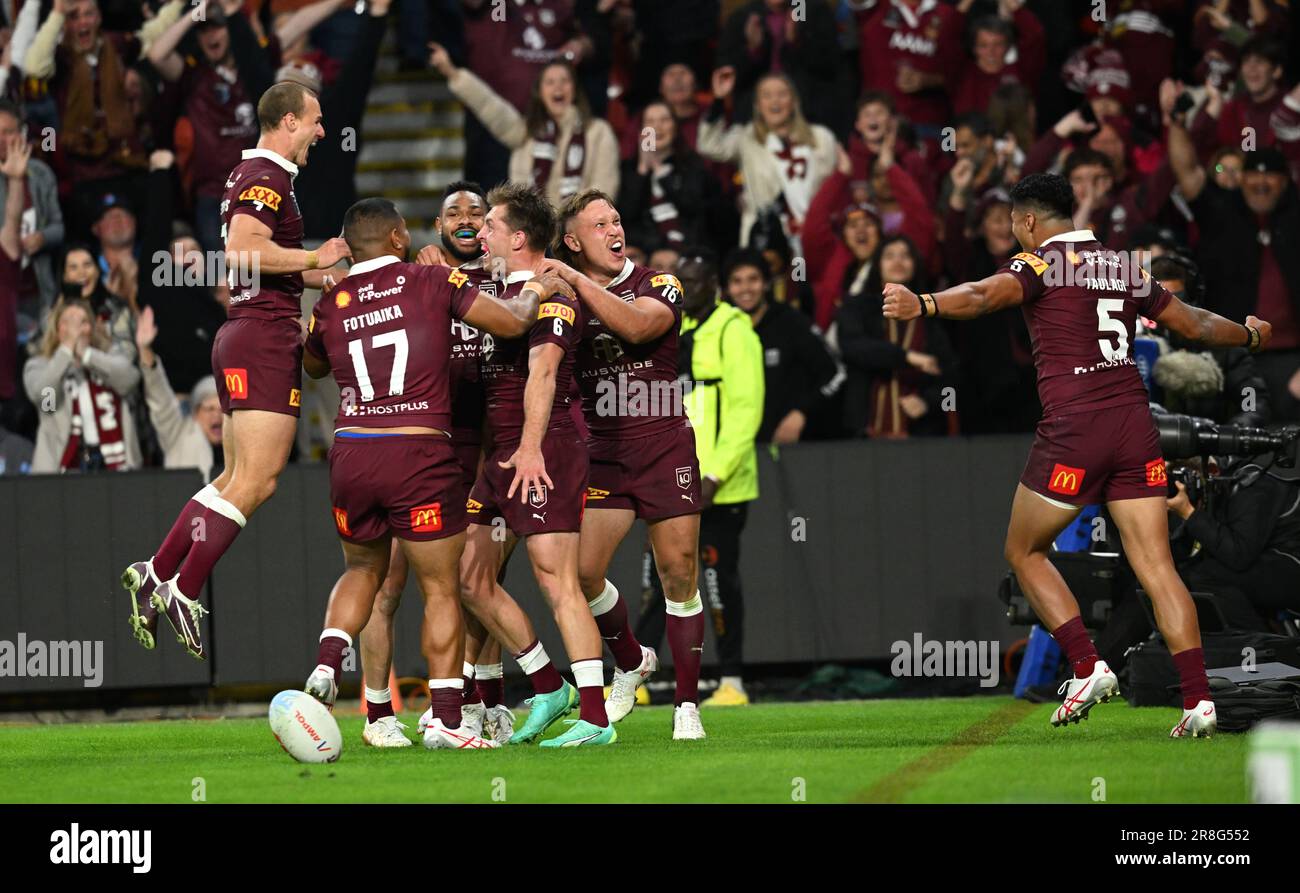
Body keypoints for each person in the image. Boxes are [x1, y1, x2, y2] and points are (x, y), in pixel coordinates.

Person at [882, 172, 1276, 738]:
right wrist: (1252, 336)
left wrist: (924, 303)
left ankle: (1089, 666)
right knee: (1158, 568)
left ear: (1029, 222)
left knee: (1024, 550)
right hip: (1137, 425)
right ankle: (1200, 702)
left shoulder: (1039, 264)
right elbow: (1193, 323)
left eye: (1017, 227)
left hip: (1076, 429)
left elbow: (982, 294)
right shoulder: (1122, 264)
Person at [300, 197, 546, 750]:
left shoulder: (333, 300)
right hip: (417, 452)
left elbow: (312, 361)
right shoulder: (430, 281)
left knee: (364, 571)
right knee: (440, 587)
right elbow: (510, 321)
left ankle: (326, 657)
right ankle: (446, 721)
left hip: (352, 451)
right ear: (394, 237)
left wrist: (332, 299)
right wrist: (537, 289)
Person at [120, 82, 350, 661]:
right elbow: (245, 252)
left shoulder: (249, 175)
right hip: (264, 337)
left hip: (245, 333)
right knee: (260, 479)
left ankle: (158, 570)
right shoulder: (268, 177)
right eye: (317, 121)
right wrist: (312, 258)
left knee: (234, 479)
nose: (323, 132)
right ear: (290, 120)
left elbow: (261, 260)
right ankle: (185, 588)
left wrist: (329, 276)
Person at [453, 183, 615, 748]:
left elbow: (543, 375)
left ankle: (596, 718)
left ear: (518, 238)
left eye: (491, 225)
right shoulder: (501, 291)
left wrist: (528, 448)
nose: (480, 233)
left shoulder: (555, 296)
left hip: (544, 449)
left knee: (557, 581)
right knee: (469, 578)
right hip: (500, 454)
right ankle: (549, 685)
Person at [545, 189, 707, 740]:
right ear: (573, 241)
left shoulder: (660, 282)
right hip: (606, 453)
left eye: (616, 219)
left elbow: (638, 328)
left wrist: (576, 282)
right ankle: (632, 659)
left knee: (678, 573)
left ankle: (686, 705)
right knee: (584, 572)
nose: (614, 230)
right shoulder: (565, 297)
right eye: (598, 225)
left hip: (665, 446)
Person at [356, 181, 512, 747]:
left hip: (495, 447)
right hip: (424, 445)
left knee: (481, 579)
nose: (466, 218)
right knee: (387, 581)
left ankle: (479, 703)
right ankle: (379, 713)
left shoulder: (510, 273)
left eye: (477, 210)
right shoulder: (417, 278)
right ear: (438, 228)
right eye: (454, 212)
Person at [637, 252, 762, 707]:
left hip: (720, 484)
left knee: (717, 581)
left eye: (693, 280)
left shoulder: (735, 329)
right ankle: (639, 675)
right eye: (678, 281)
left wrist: (714, 474)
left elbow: (747, 411)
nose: (685, 289)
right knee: (662, 579)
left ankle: (733, 681)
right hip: (673, 477)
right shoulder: (675, 328)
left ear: (713, 282)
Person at [429, 44, 619, 207]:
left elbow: (603, 191)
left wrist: (571, 229)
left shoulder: (598, 132)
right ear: (540, 92)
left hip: (579, 236)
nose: (558, 88)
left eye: (564, 81)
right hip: (533, 234)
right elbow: (490, 106)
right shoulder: (527, 133)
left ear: (575, 90)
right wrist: (452, 73)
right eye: (550, 82)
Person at [145, 0, 260, 252]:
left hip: (259, 191)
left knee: (264, 275)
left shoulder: (253, 71)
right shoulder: (194, 76)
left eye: (217, 28)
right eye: (203, 30)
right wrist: (197, 11)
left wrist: (234, 14)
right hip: (213, 196)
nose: (210, 36)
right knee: (220, 277)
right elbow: (157, 54)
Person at [697, 68, 837, 254]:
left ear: (794, 101)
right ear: (758, 105)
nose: (775, 101)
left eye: (782, 94)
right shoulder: (747, 138)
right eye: (767, 95)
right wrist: (719, 100)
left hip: (813, 236)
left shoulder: (821, 138)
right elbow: (708, 145)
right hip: (764, 240)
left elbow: (834, 188)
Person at [838, 235, 954, 438]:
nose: (898, 261)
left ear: (915, 264)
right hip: (863, 432)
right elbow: (854, 348)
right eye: (889, 256)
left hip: (921, 434)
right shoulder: (857, 306)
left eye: (905, 256)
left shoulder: (932, 310)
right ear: (877, 265)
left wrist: (928, 402)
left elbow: (951, 374)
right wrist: (907, 357)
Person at [723, 247, 840, 443]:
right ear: (726, 288)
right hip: (736, 448)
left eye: (753, 279)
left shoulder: (792, 322)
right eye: (737, 281)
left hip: (792, 449)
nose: (746, 289)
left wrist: (801, 413)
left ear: (767, 283)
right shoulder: (721, 329)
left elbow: (835, 374)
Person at [23, 296, 142, 472]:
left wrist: (87, 355)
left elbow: (129, 379)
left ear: (92, 328)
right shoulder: (40, 365)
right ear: (57, 329)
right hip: (63, 468)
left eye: (83, 322)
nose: (76, 329)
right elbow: (45, 400)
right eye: (69, 322)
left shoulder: (109, 358)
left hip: (113, 466)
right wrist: (65, 352)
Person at [136, 305, 223, 481]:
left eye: (222, 410)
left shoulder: (239, 444)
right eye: (210, 409)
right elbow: (160, 397)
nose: (217, 416)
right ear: (196, 413)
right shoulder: (178, 434)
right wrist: (145, 350)